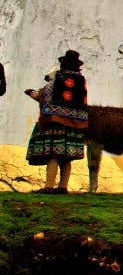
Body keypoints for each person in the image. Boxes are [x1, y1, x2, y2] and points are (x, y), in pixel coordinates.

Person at [25, 50, 89, 194]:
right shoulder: (81, 81)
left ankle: (49, 186)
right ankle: (63, 187)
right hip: (74, 124)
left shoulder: (57, 80)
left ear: (63, 64)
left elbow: (45, 98)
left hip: (55, 122)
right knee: (66, 157)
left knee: (53, 154)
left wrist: (33, 94)